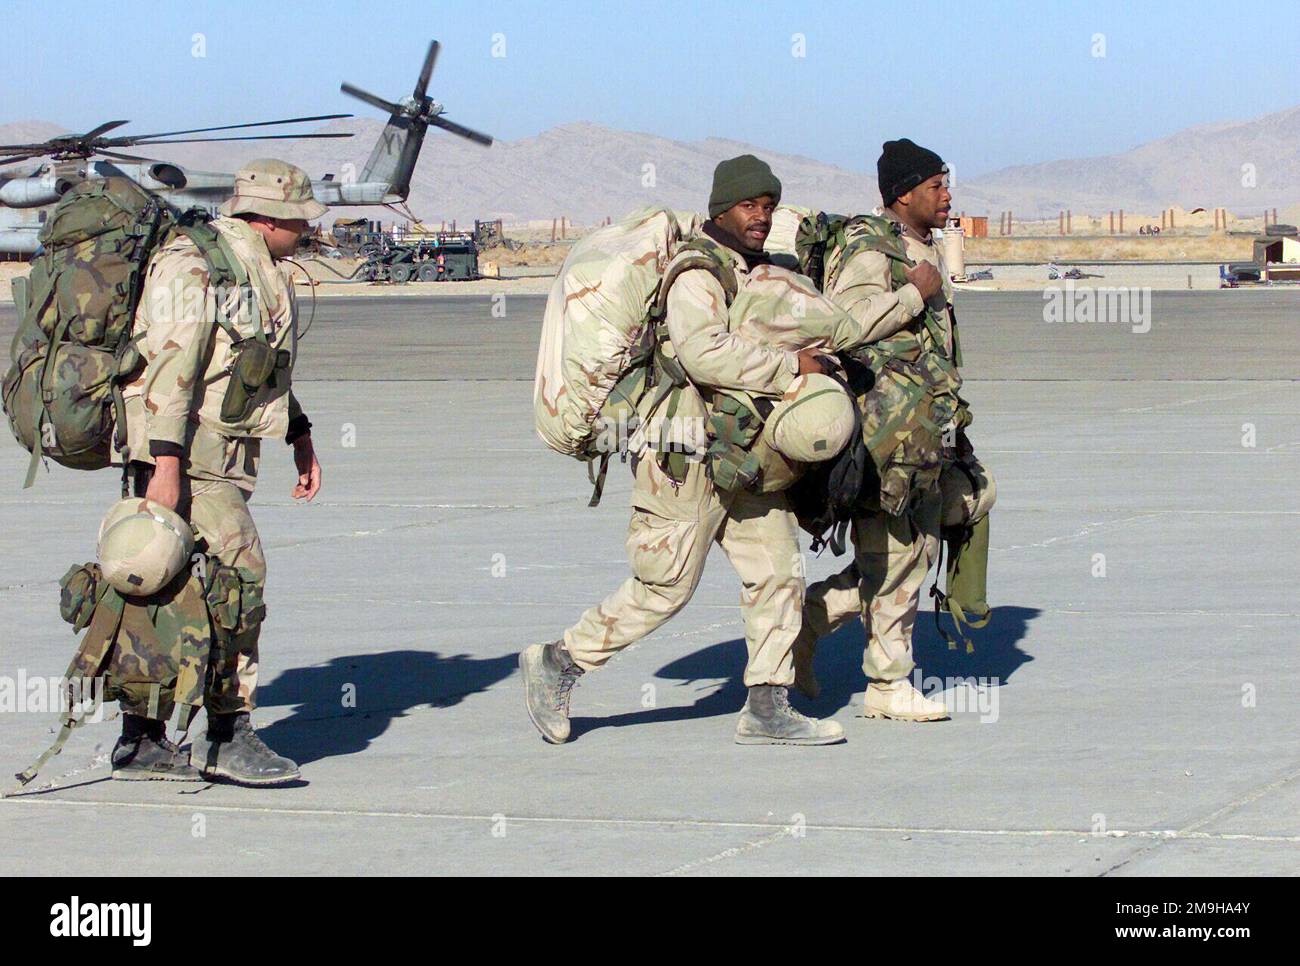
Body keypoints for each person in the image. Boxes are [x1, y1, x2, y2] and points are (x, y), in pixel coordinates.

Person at [521, 155, 850, 746]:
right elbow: (704, 354)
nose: (761, 217)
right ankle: (557, 663)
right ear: (722, 207)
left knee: (778, 574)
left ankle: (767, 707)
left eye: (769, 207)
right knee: (663, 588)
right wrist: (789, 366)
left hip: (747, 453)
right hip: (684, 455)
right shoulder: (697, 273)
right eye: (750, 206)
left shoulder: (756, 269)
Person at [114, 159, 324, 783]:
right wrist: (166, 468)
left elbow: (254, 365)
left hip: (215, 455)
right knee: (240, 574)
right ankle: (227, 735)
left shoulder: (260, 269)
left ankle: (141, 740)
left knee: (165, 584)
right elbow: (172, 371)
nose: (307, 232)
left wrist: (299, 433)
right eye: (297, 221)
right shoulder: (196, 263)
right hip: (181, 454)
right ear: (265, 217)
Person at [793, 139, 996, 721]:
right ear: (903, 194)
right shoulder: (871, 250)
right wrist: (915, 293)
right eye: (936, 186)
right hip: (886, 438)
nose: (947, 195)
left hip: (926, 430)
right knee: (898, 555)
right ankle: (887, 684)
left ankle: (809, 619)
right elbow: (845, 327)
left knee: (928, 540)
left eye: (947, 183)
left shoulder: (922, 247)